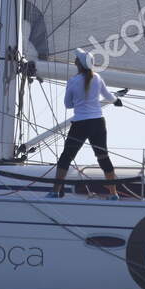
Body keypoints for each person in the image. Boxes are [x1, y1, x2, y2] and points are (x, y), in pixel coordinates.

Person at [49, 50, 121, 198]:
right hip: (98, 123)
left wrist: (78, 101)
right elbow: (108, 95)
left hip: (81, 124)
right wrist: (116, 101)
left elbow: (68, 104)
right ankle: (114, 194)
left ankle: (55, 191)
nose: (74, 59)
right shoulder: (97, 78)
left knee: (66, 157)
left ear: (78, 64)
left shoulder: (73, 81)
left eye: (76, 58)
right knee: (103, 156)